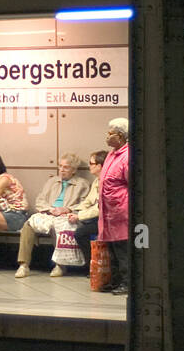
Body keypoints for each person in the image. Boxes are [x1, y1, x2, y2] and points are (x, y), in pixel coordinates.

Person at [15, 154, 91, 278]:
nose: (61, 169)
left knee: (59, 225)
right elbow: (40, 200)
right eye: (60, 166)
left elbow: (84, 204)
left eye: (66, 167)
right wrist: (50, 209)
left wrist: (67, 209)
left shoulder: (82, 184)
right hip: (49, 212)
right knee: (28, 225)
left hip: (66, 215)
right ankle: (23, 265)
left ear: (74, 170)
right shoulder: (52, 181)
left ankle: (60, 265)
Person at [55, 150, 108, 274]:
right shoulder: (96, 181)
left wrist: (79, 216)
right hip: (94, 217)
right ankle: (90, 265)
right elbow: (88, 202)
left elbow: (99, 208)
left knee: (80, 233)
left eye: (91, 163)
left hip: (106, 220)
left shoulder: (106, 182)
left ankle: (90, 266)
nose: (89, 166)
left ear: (100, 166)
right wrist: (74, 211)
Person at [97, 120, 132, 294]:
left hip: (121, 211)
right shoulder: (112, 154)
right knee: (111, 248)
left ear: (120, 136)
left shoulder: (128, 156)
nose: (107, 136)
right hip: (108, 211)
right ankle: (115, 280)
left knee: (122, 249)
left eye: (111, 133)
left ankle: (127, 282)